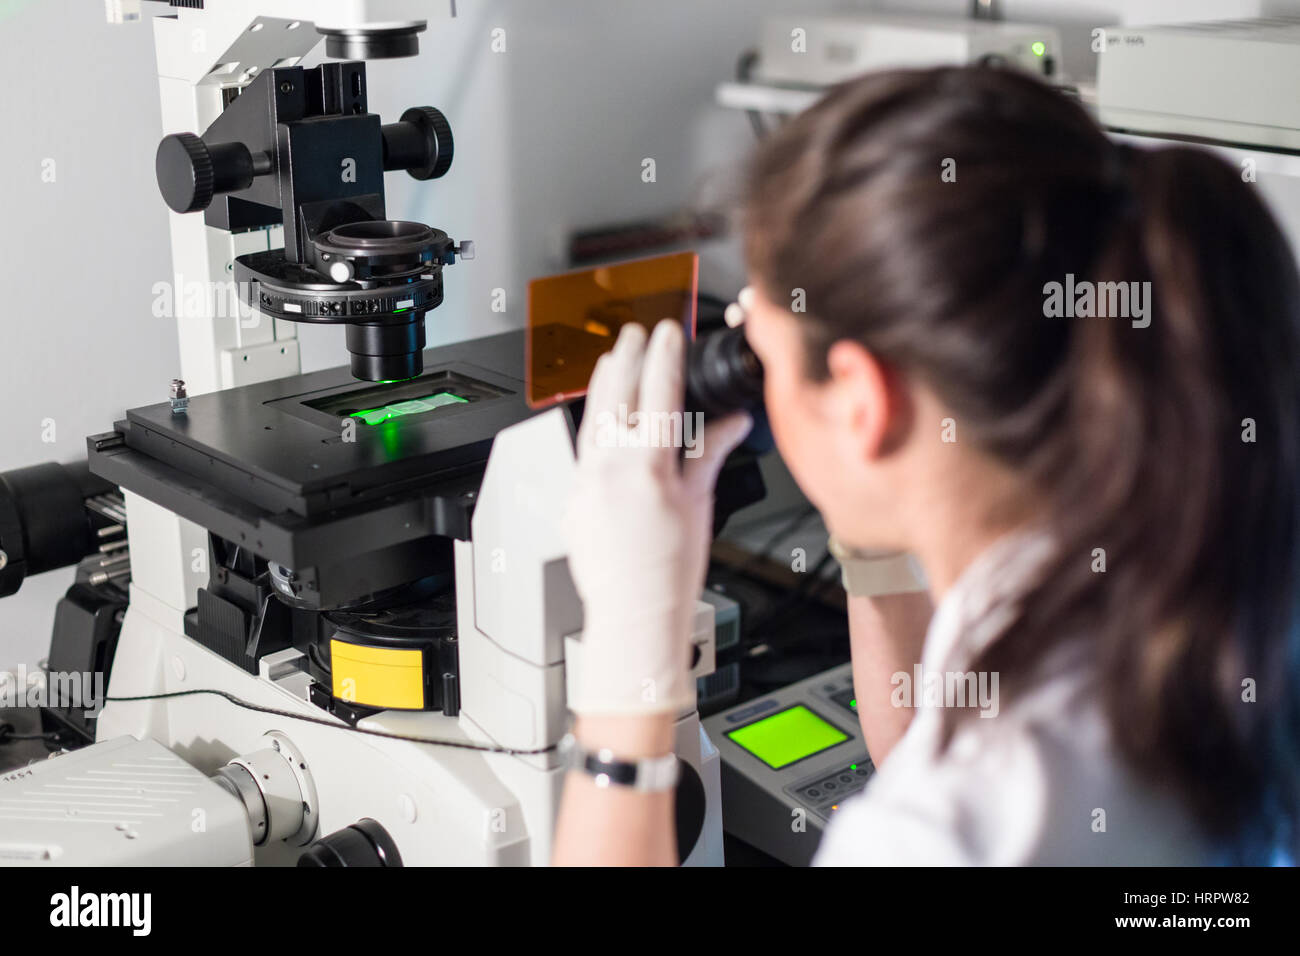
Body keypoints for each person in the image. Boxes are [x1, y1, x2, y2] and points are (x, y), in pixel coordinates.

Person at [551, 65, 1300, 866]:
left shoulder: (950, 830)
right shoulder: (1197, 593)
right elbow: (920, 749)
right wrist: (866, 502)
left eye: (756, 344)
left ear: (863, 400)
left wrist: (630, 671)